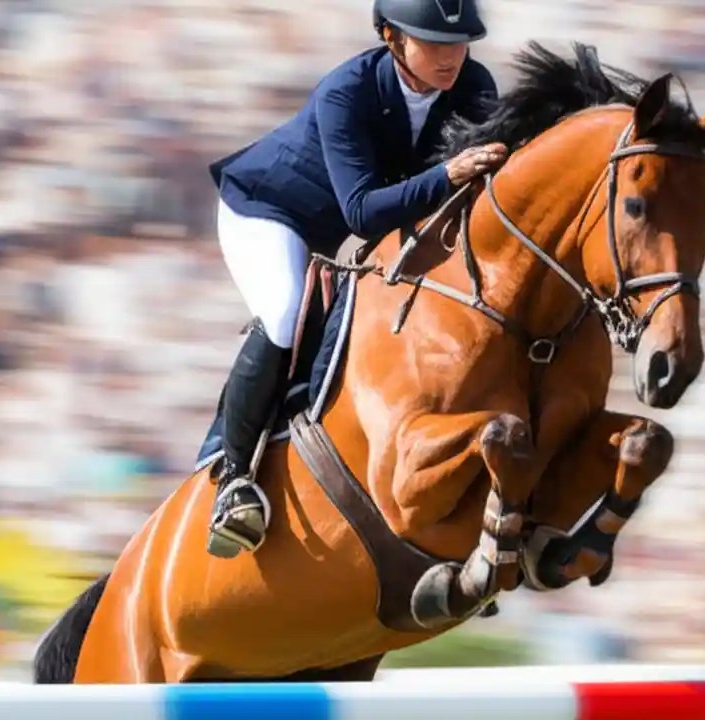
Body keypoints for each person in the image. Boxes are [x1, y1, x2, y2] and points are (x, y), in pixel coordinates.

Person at [203, 0, 509, 559]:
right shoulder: (347, 90)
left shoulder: (473, 85)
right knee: (284, 313)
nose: (451, 58)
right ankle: (233, 481)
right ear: (391, 37)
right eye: (434, 44)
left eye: (460, 43)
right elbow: (363, 212)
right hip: (267, 211)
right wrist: (447, 174)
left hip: (331, 232)